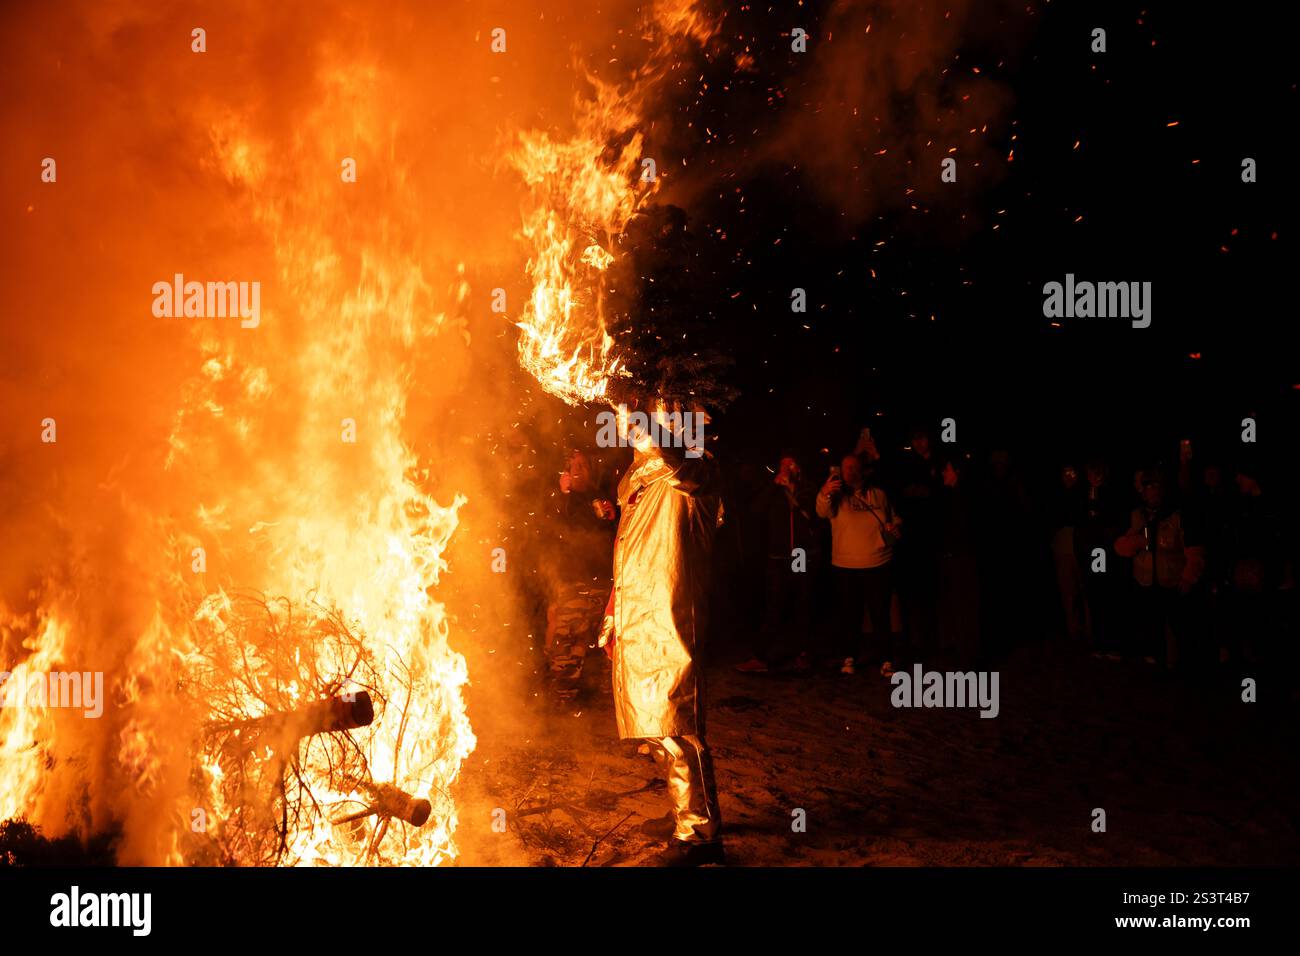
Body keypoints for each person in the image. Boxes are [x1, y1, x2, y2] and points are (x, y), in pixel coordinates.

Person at [598, 400, 725, 866]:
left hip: (671, 615)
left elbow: (674, 461)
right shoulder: (640, 481)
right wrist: (614, 611)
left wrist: (634, 414)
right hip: (638, 612)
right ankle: (681, 811)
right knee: (650, 723)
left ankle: (700, 834)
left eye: (664, 418)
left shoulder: (697, 472)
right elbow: (627, 551)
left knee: (676, 724)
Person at [816, 451, 903, 676]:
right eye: (845, 467)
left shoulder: (879, 494)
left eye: (854, 467)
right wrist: (825, 492)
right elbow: (821, 511)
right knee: (849, 615)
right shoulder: (835, 496)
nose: (849, 471)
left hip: (878, 562)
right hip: (845, 565)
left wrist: (895, 527)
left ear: (862, 470)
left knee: (880, 615)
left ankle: (886, 659)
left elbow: (893, 517)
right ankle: (849, 656)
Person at [542, 449, 617, 705]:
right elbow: (548, 531)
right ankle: (563, 697)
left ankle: (607, 697)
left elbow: (612, 536)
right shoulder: (558, 499)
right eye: (574, 465)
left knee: (606, 639)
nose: (579, 469)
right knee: (569, 640)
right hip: (573, 582)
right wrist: (562, 494)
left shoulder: (599, 498)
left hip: (603, 582)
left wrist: (613, 517)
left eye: (583, 464)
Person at [1114, 468, 1206, 669]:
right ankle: (1155, 660)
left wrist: (1189, 577)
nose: (1153, 491)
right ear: (1143, 492)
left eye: (1157, 487)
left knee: (1178, 628)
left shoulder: (1177, 516)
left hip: (1172, 581)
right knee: (1151, 624)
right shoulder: (1135, 516)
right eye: (1149, 487)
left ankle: (1182, 664)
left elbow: (1195, 550)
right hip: (1145, 581)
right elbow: (1118, 546)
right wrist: (1135, 542)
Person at [736, 453, 816, 674]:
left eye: (791, 464)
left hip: (799, 553)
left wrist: (791, 490)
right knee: (774, 606)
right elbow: (756, 510)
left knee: (801, 603)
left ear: (798, 467)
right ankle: (760, 657)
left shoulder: (807, 489)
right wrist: (774, 487)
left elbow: (811, 515)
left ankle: (802, 654)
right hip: (778, 555)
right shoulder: (773, 490)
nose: (786, 468)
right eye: (783, 464)